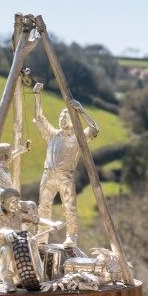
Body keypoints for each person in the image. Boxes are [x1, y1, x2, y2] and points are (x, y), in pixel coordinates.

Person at [32, 83, 99, 245]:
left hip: (65, 176)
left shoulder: (78, 138)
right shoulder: (53, 135)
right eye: (61, 117)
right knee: (43, 206)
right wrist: (37, 96)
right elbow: (40, 119)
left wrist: (81, 110)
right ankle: (42, 236)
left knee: (69, 207)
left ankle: (71, 236)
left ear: (72, 119)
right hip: (48, 174)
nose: (62, 119)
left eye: (66, 116)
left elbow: (95, 129)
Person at [0, 188, 62, 291]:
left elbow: (35, 219)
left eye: (18, 201)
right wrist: (4, 232)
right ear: (3, 202)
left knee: (29, 248)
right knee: (7, 249)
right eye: (13, 201)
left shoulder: (17, 212)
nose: (16, 204)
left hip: (18, 247)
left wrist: (52, 224)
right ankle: (7, 279)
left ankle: (25, 277)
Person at [0, 141, 31, 209]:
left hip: (6, 206)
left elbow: (11, 156)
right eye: (10, 152)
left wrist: (21, 150)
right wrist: (13, 200)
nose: (11, 154)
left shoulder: (2, 167)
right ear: (5, 156)